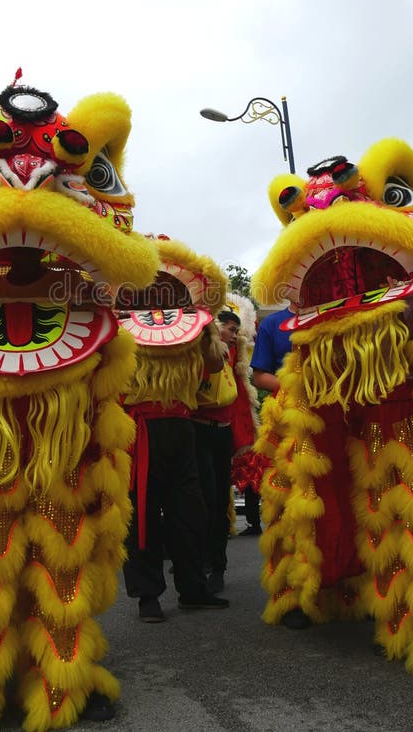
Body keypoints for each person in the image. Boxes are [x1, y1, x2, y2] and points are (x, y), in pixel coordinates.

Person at [117, 237, 231, 622]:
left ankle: (192, 587)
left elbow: (215, 367)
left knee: (190, 512)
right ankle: (147, 595)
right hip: (141, 428)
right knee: (143, 514)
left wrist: (207, 328)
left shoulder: (195, 326)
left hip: (183, 424)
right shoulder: (119, 327)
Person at [192, 309, 240, 593]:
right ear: (216, 327)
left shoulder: (235, 356)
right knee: (202, 499)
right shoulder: (198, 351)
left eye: (237, 332)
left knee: (220, 499)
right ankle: (200, 560)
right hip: (197, 430)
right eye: (231, 330)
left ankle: (217, 565)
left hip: (223, 432)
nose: (234, 336)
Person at [240, 306, 294, 535]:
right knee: (285, 486)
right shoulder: (272, 323)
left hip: (330, 411)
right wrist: (295, 387)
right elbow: (260, 375)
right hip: (286, 414)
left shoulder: (334, 315)